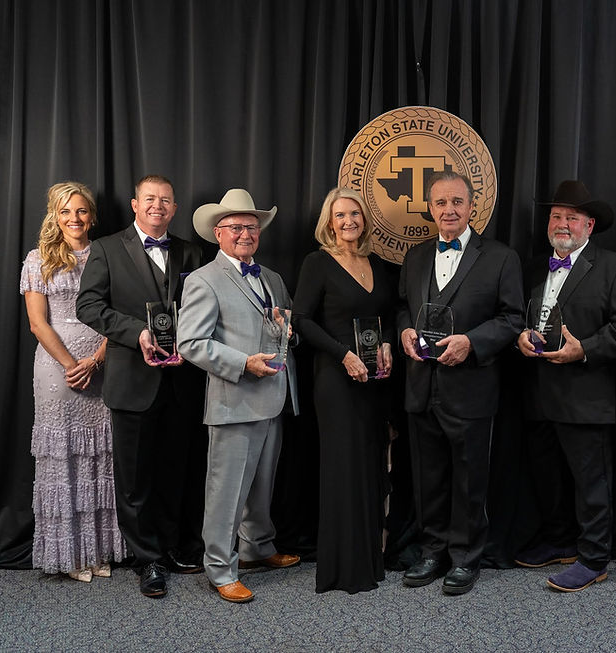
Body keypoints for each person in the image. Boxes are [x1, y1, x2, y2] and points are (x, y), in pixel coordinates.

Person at [76, 174, 207, 598]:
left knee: (175, 471)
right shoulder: (107, 248)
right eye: (150, 199)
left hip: (183, 381)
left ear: (174, 208)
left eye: (166, 200)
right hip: (132, 380)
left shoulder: (192, 251)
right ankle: (146, 559)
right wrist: (137, 333)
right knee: (134, 479)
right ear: (135, 204)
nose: (158, 206)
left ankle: (171, 548)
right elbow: (88, 306)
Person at [513, 180, 616, 592]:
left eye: (572, 217)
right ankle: (560, 542)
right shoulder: (534, 266)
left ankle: (593, 558)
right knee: (548, 476)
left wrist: (583, 349)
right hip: (538, 392)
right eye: (556, 216)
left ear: (589, 225)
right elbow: (521, 316)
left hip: (586, 394)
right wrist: (520, 335)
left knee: (592, 483)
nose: (562, 223)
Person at [397, 170, 524, 595]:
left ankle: (466, 557)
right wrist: (403, 331)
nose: (448, 210)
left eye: (456, 202)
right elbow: (402, 306)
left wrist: (471, 342)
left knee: (469, 479)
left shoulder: (501, 257)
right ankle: (432, 551)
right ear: (430, 209)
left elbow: (512, 318)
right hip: (421, 385)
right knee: (427, 476)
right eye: (440, 203)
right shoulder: (415, 256)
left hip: (471, 387)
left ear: (472, 207)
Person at [177, 188, 301, 603]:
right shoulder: (203, 279)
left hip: (274, 396)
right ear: (218, 233)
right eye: (236, 227)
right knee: (227, 493)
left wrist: (288, 333)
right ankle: (219, 568)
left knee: (262, 486)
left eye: (252, 226)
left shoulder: (273, 279)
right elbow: (190, 342)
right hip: (234, 401)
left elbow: (283, 331)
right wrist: (243, 363)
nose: (245, 233)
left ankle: (256, 548)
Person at [292, 187, 397, 594]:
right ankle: (344, 566)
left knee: (369, 463)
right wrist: (343, 355)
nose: (348, 221)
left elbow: (387, 315)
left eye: (355, 213)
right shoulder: (317, 263)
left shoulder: (376, 262)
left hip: (375, 381)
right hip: (337, 379)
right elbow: (302, 320)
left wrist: (386, 342)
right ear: (329, 223)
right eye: (340, 215)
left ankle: (369, 558)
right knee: (344, 466)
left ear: (364, 219)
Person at [20, 181, 126, 582]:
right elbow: (37, 323)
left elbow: (120, 313)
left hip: (104, 361)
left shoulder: (106, 254)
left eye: (81, 210)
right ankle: (70, 556)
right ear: (55, 215)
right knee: (64, 458)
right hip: (57, 367)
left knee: (100, 455)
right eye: (65, 211)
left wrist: (96, 360)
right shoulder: (38, 259)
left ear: (91, 216)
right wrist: (71, 365)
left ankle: (98, 550)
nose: (74, 218)